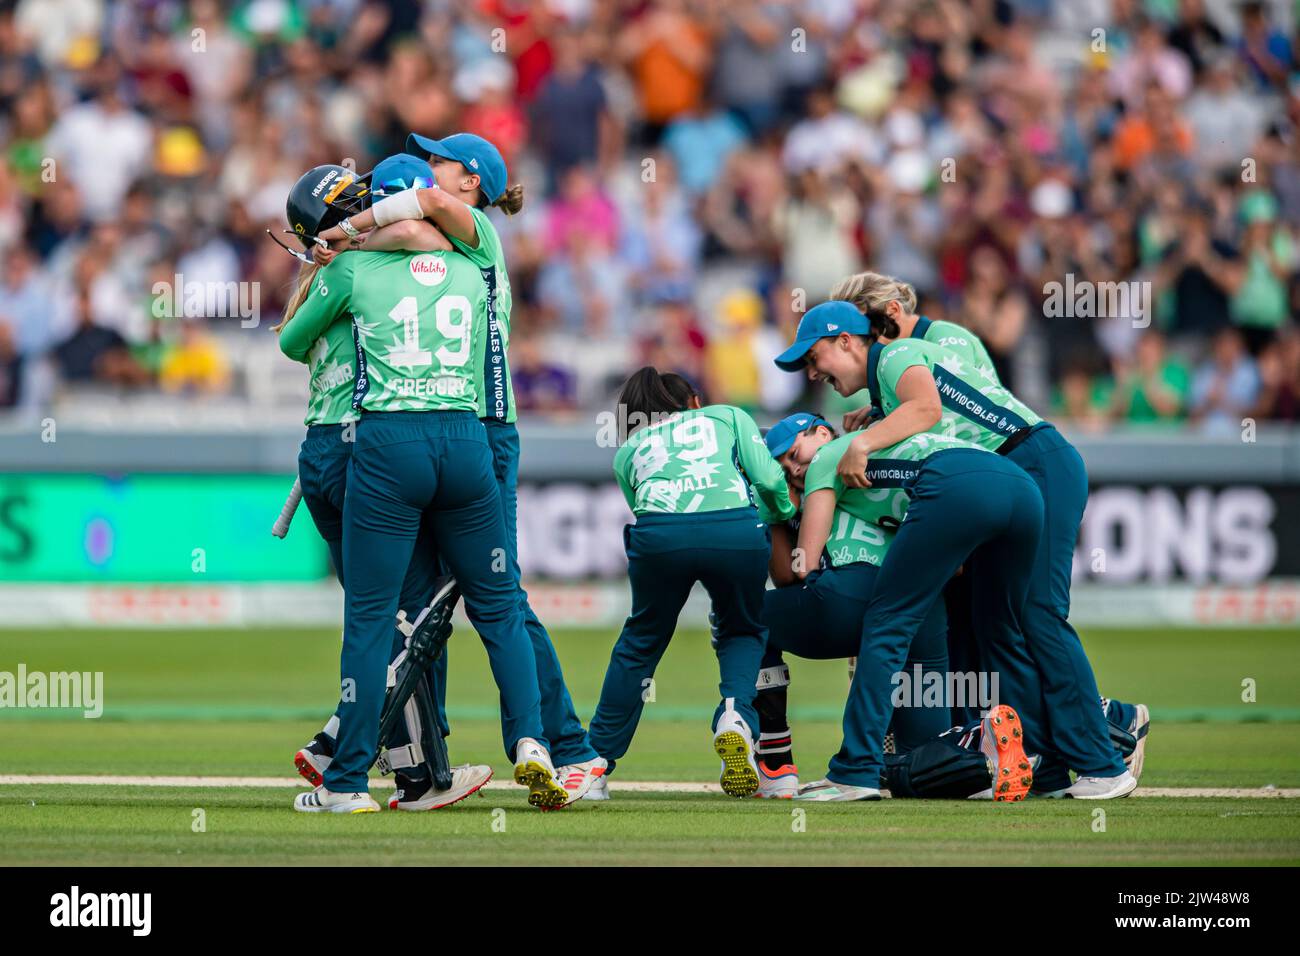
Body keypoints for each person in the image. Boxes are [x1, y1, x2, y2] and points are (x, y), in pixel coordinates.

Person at [317, 134, 606, 802]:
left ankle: (569, 748)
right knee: (436, 603)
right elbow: (413, 226)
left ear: (469, 182)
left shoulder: (469, 235)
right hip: (461, 434)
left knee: (492, 596)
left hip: (477, 430)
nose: (428, 166)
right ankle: (423, 753)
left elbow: (416, 215)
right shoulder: (454, 240)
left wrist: (343, 238)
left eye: (440, 159)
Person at [776, 300, 1138, 800]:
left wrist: (861, 442)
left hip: (1031, 461)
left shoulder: (896, 355)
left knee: (1036, 618)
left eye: (814, 357)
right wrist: (877, 418)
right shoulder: (890, 382)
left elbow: (928, 409)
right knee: (999, 627)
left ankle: (857, 769)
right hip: (1013, 480)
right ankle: (1052, 766)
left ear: (846, 340)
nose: (813, 372)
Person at [275, 160, 495, 812]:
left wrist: (325, 259)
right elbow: (430, 236)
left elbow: (290, 341)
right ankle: (403, 769)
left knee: (380, 617)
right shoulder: (374, 265)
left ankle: (360, 751)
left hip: (323, 447)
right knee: (405, 620)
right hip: (369, 447)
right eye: (364, 200)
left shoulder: (335, 269)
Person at [585, 367, 795, 799]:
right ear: (694, 402)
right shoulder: (728, 416)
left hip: (661, 537)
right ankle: (736, 716)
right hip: (734, 531)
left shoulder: (627, 450)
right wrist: (778, 517)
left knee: (640, 643)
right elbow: (771, 480)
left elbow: (642, 506)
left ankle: (596, 767)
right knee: (742, 629)